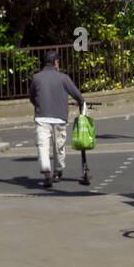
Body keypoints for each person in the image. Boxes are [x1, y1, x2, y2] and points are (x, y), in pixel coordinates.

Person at [28, 50, 84, 188]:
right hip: (60, 118)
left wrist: (39, 106)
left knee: (43, 145)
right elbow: (77, 95)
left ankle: (46, 171)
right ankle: (58, 171)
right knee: (59, 146)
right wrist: (80, 102)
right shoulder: (63, 78)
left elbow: (32, 97)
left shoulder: (36, 78)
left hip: (42, 117)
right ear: (56, 62)